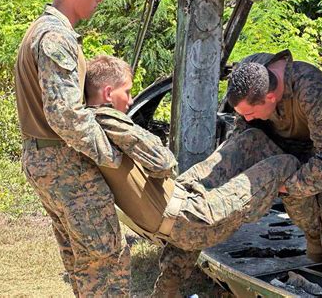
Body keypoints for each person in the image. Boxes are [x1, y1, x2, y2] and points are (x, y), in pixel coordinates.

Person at [84, 55, 301, 297]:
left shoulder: (87, 125)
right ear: (107, 93)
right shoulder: (109, 120)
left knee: (253, 139)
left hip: (177, 215)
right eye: (127, 91)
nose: (131, 99)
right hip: (193, 216)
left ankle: (165, 294)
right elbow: (164, 162)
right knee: (285, 163)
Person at [14, 0, 129, 296]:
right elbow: (65, 115)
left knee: (84, 263)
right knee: (107, 260)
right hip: (64, 164)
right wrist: (113, 156)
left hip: (47, 161)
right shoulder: (56, 37)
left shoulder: (42, 29)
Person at [225, 49, 322, 285]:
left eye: (251, 113)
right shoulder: (250, 75)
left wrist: (287, 186)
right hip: (284, 158)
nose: (248, 118)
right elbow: (244, 132)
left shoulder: (310, 87)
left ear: (270, 97)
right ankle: (317, 246)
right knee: (309, 221)